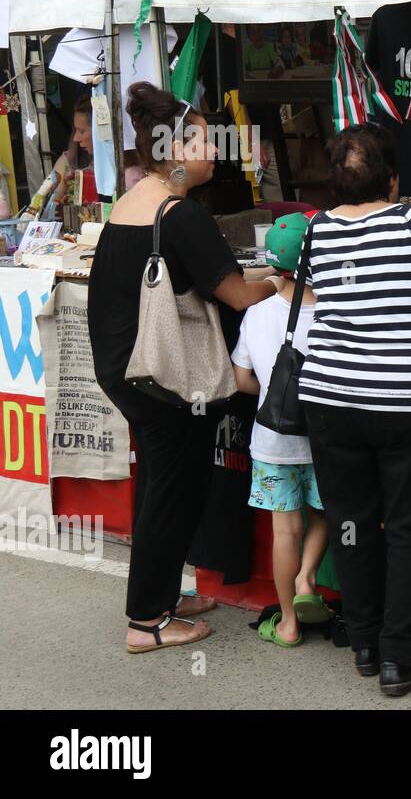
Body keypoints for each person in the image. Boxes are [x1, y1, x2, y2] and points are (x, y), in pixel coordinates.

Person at [88, 81, 285, 654]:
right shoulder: (181, 216)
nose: (214, 150)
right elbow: (239, 297)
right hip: (165, 377)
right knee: (172, 490)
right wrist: (283, 279)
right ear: (175, 150)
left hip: (127, 369)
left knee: (158, 483)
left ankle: (160, 599)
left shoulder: (133, 201)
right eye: (204, 140)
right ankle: (147, 621)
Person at [298, 124, 411, 697]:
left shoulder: (316, 229)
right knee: (402, 528)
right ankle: (398, 658)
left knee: (350, 521)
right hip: (403, 399)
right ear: (393, 179)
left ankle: (365, 644)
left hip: (328, 396)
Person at [231, 212, 329, 647]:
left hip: (272, 440)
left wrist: (272, 392)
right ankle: (309, 578)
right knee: (329, 514)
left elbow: (242, 380)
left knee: (284, 529)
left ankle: (288, 622)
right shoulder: (332, 311)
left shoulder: (256, 313)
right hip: (325, 439)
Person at [52, 96, 95, 207]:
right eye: (76, 130)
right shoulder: (69, 160)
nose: (75, 138)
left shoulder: (122, 162)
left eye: (81, 131)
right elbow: (49, 202)